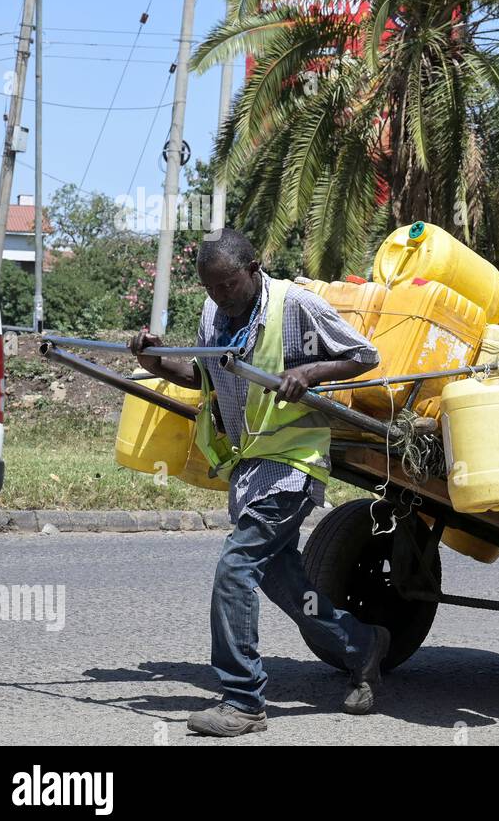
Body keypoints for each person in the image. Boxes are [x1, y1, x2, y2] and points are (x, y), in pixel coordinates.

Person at [129, 228, 387, 737]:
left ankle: (244, 699)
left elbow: (365, 356)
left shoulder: (297, 307)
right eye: (210, 288)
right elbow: (202, 377)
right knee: (281, 579)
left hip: (292, 463)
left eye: (227, 285)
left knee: (235, 568)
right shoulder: (213, 315)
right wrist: (153, 360)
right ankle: (362, 645)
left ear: (253, 269)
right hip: (249, 466)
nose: (220, 297)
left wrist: (311, 372)